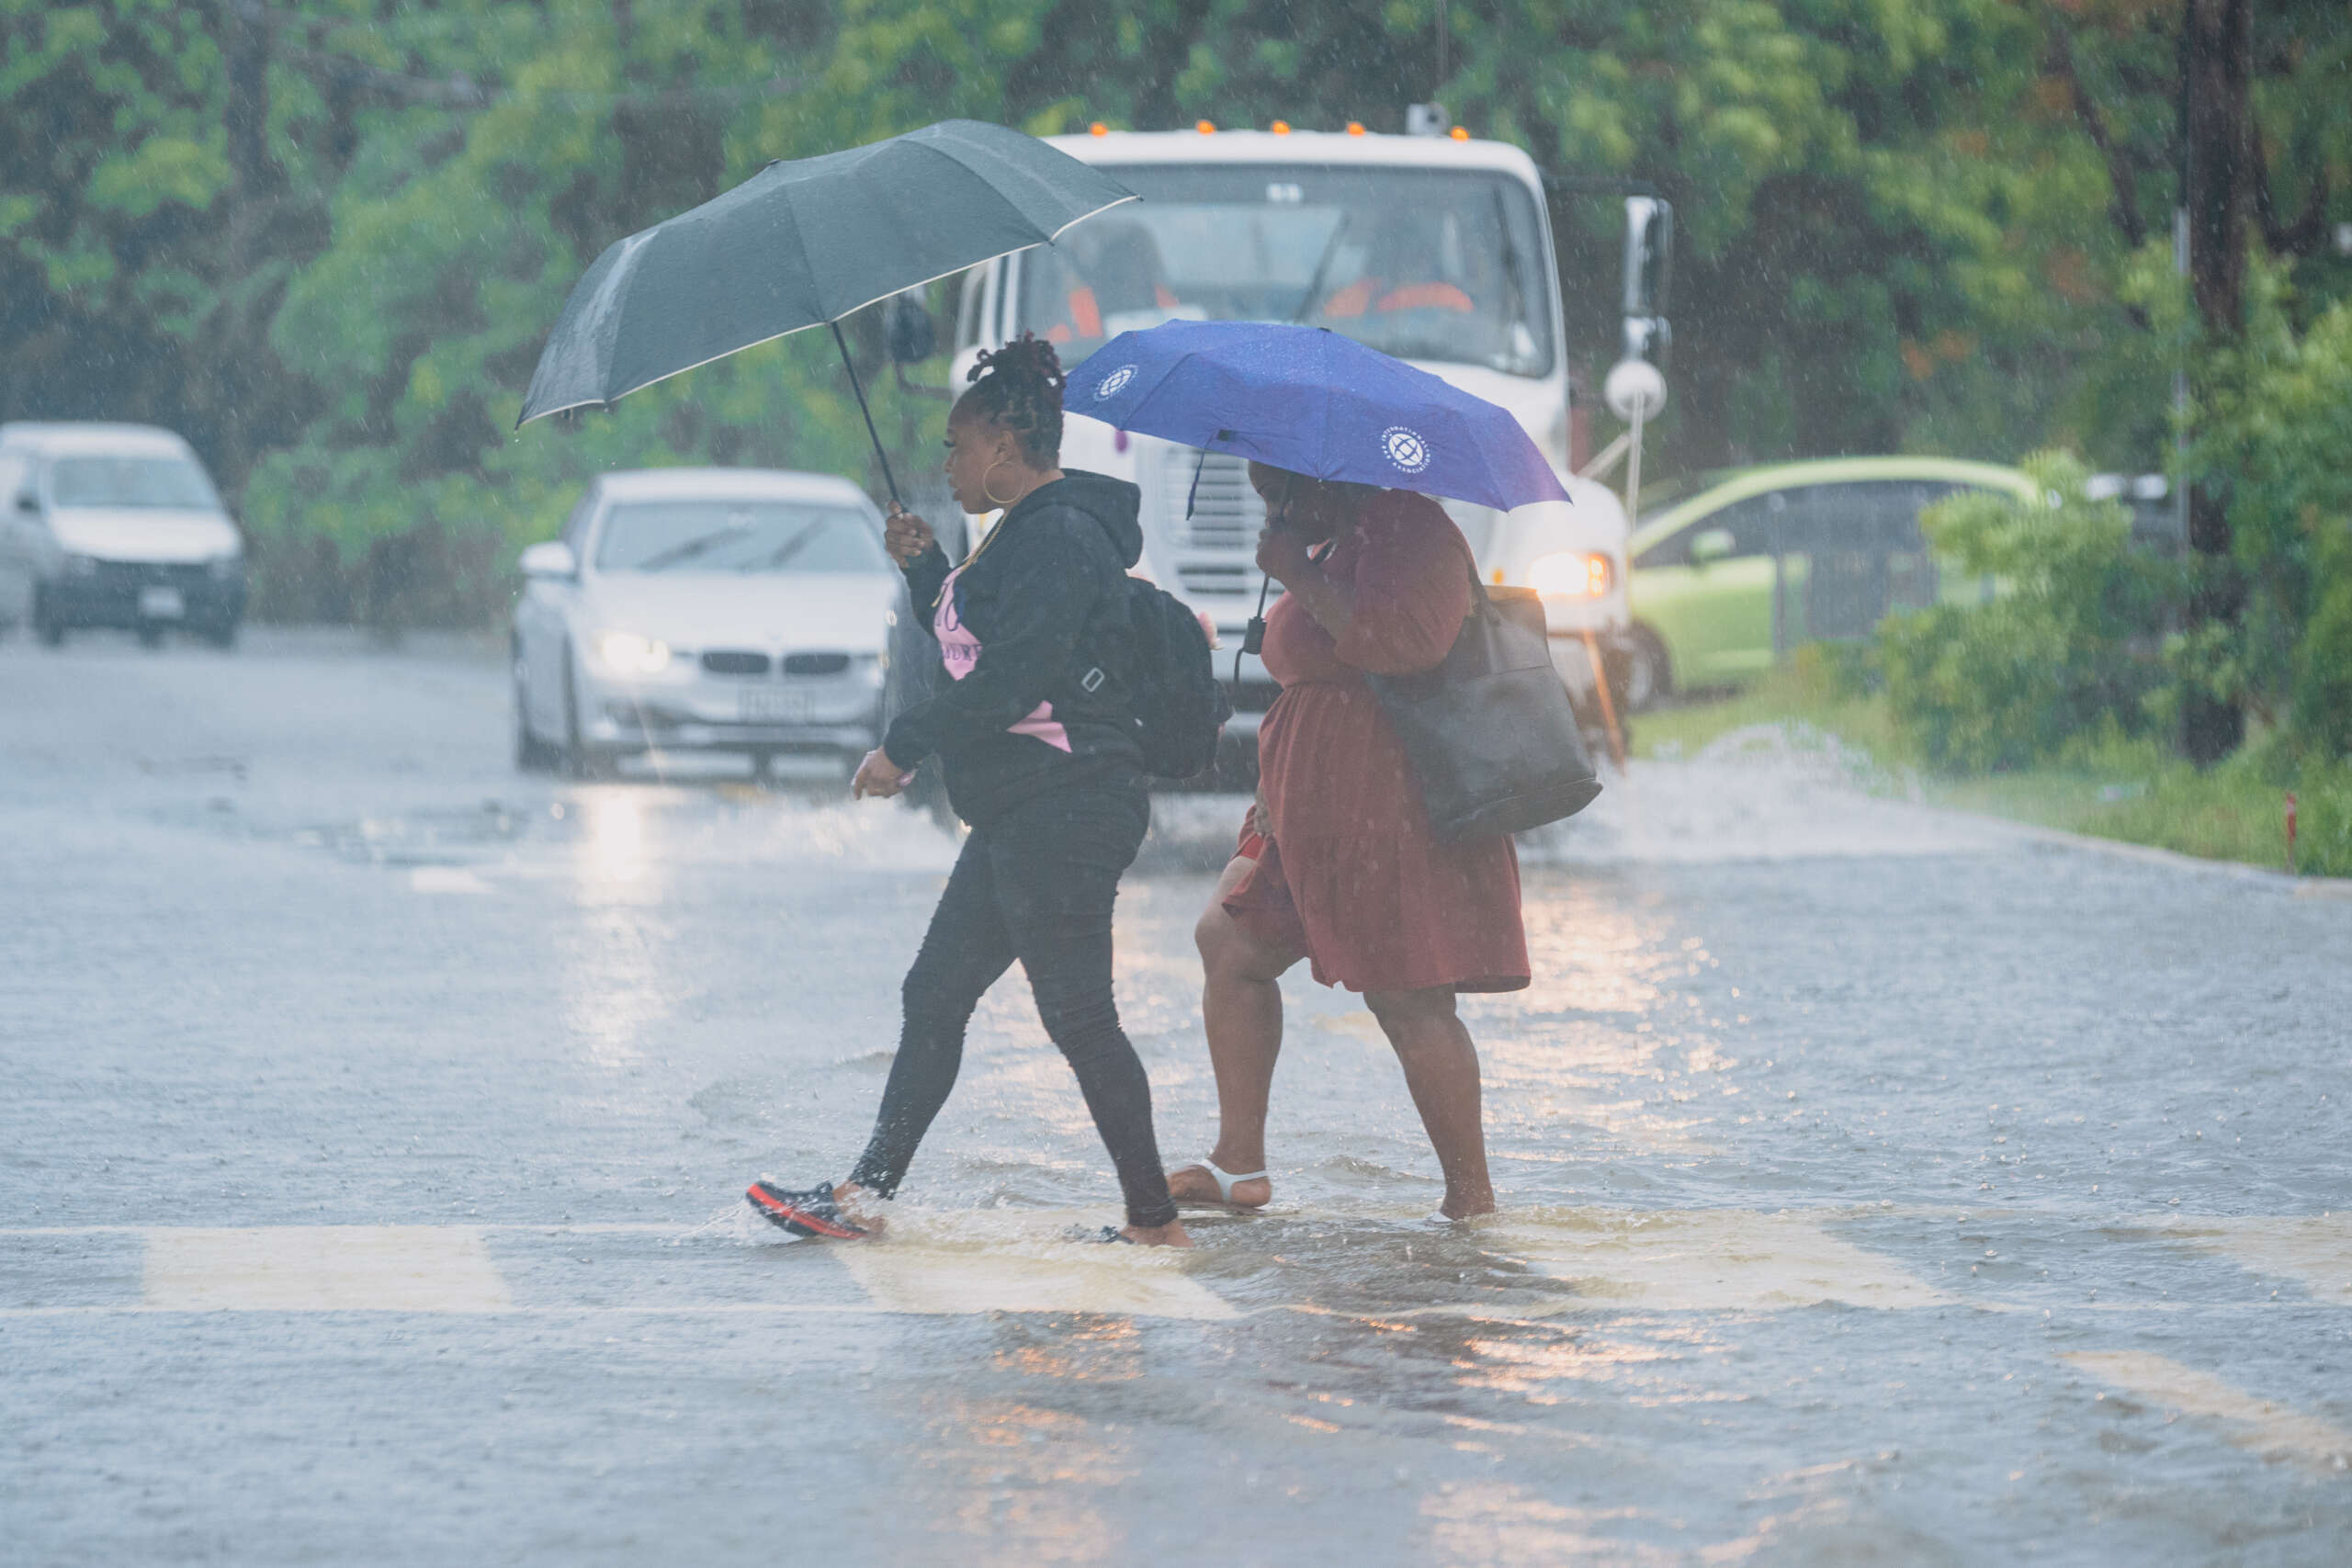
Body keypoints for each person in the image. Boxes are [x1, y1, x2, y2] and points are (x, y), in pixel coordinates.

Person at [747, 334, 1190, 1248]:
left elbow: (1014, 677)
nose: (946, 463)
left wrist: (902, 746)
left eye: (956, 444)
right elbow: (978, 645)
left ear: (1001, 443)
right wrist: (923, 570)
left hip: (1066, 804)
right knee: (935, 992)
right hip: (1022, 807)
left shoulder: (1062, 533)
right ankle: (864, 1198)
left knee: (1076, 1013)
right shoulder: (1020, 536)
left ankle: (1154, 1221)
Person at [1166, 466, 1528, 1221]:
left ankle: (1472, 1199)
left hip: (1389, 801)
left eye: (1286, 495)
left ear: (1330, 476)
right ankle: (1239, 1162)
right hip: (1305, 805)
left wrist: (1297, 572)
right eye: (1267, 498)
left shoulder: (1412, 531)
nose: (1279, 512)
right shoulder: (1339, 539)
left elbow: (1406, 646)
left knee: (1409, 996)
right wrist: (1274, 783)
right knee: (1228, 944)